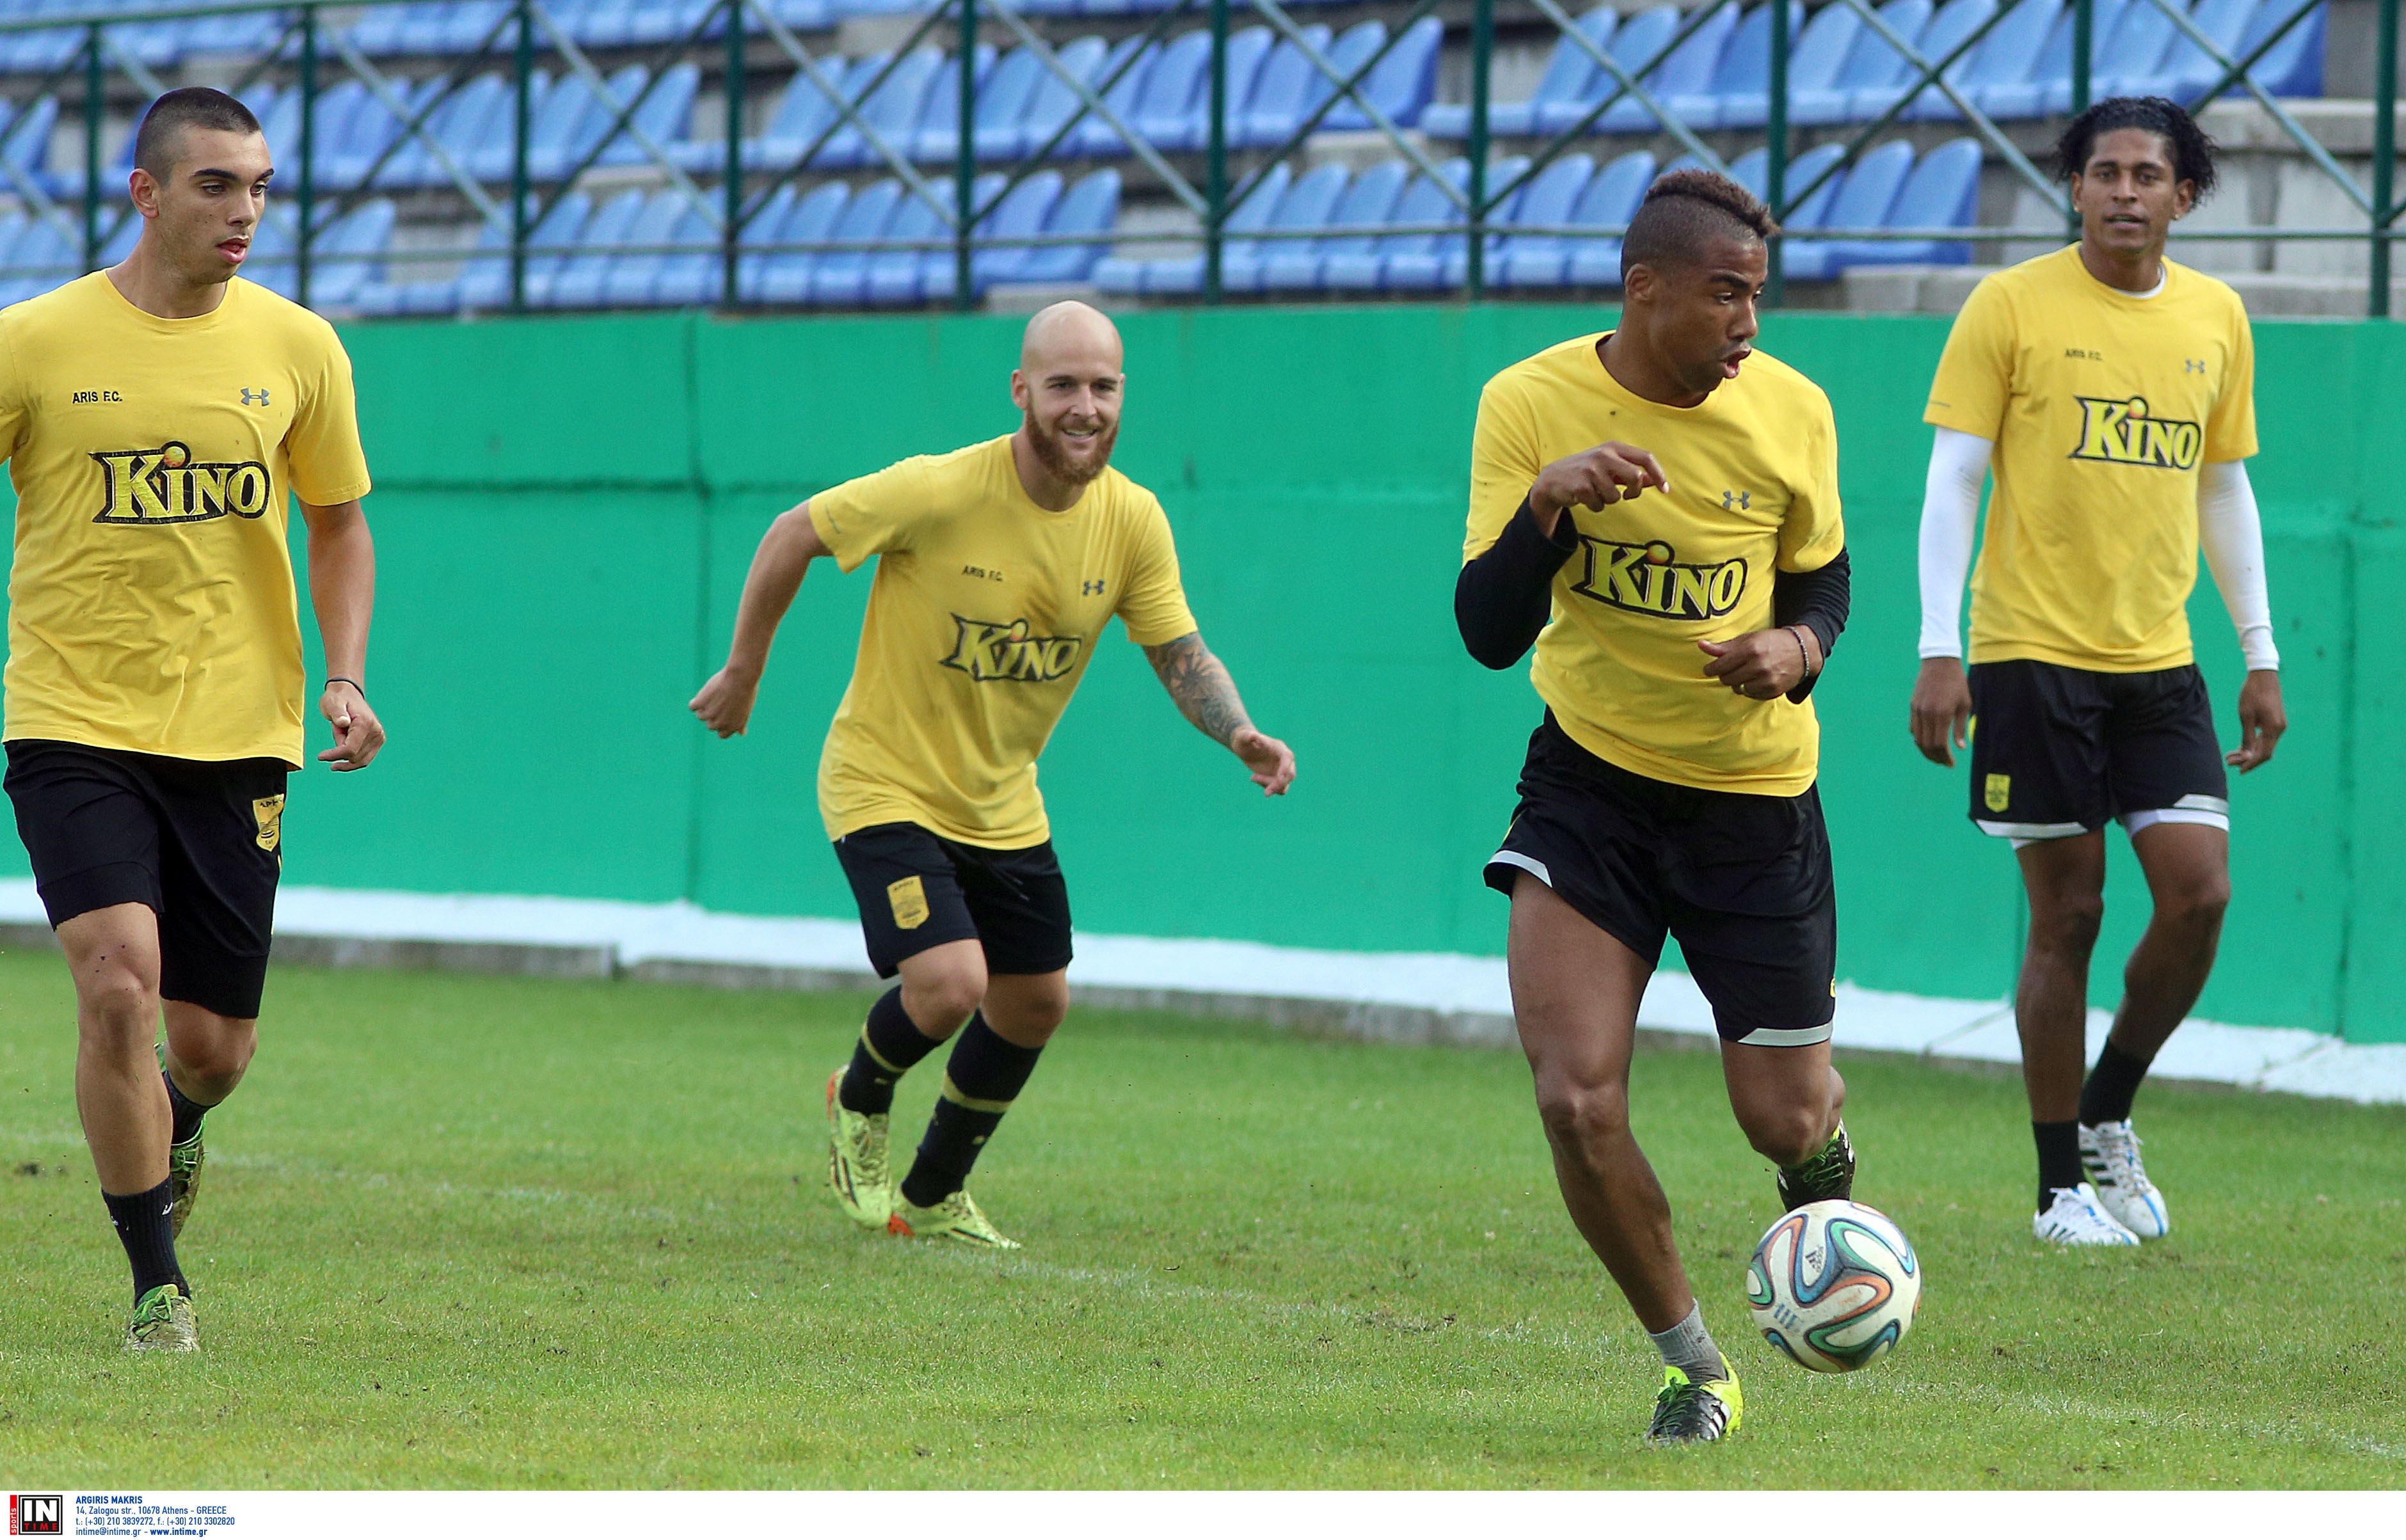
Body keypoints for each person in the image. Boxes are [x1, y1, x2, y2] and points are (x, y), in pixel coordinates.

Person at [691, 301, 1294, 1251]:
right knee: (950, 985)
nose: (1084, 406)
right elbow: (791, 534)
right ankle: (858, 1099)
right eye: (1063, 385)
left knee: (1035, 1002)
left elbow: (1180, 653)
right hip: (882, 781)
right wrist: (743, 672)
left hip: (1001, 800)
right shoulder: (940, 489)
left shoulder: (1133, 520)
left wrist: (1241, 734)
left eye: (1103, 386)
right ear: (1022, 391)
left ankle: (931, 1194)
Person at [1456, 169, 1854, 1446]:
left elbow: (1824, 586)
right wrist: (1546, 507)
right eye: (1724, 294)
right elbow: (1482, 631)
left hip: (1751, 799)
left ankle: (1814, 1161)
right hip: (1590, 785)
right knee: (1575, 1098)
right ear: (1644, 289)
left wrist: (1794, 652)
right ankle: (1693, 1364)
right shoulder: (1525, 404)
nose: (1748, 320)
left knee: (1778, 1114)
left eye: (1757, 295)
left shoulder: (1792, 410)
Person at [0, 88, 385, 1351]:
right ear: (146, 192)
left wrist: (345, 672)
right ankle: (156, 1284)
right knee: (117, 986)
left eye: (262, 186)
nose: (247, 211)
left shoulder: (299, 348)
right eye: (218, 185)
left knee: (213, 1047)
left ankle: (184, 1112)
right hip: (70, 716)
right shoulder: (35, 342)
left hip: (239, 729)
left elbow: (336, 519)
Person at [1909, 97, 2282, 1248]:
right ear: (2074, 187)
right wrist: (1939, 645)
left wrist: (2260, 652)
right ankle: (2057, 1188)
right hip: (2029, 659)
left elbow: (2222, 487)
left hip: (2160, 663)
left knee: (2201, 895)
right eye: (2104, 172)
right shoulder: (2009, 305)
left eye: (2148, 175)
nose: (2126, 191)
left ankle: (2107, 1117)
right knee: (2067, 917)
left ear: (2186, 194)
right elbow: (1954, 482)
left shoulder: (2217, 317)